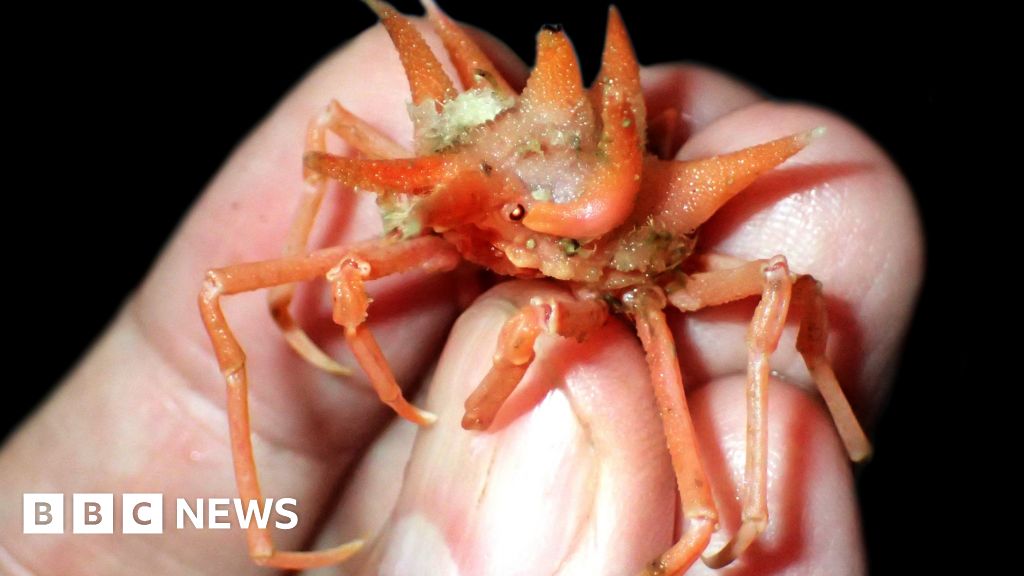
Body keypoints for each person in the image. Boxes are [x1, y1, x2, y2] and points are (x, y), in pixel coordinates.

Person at [0, 20, 921, 576]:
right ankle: (258, 527)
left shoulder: (618, 237)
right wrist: (311, 300)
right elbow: (286, 232)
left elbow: (773, 293)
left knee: (770, 306)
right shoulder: (472, 204)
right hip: (515, 234)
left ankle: (813, 432)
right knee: (230, 285)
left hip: (626, 283)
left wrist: (755, 500)